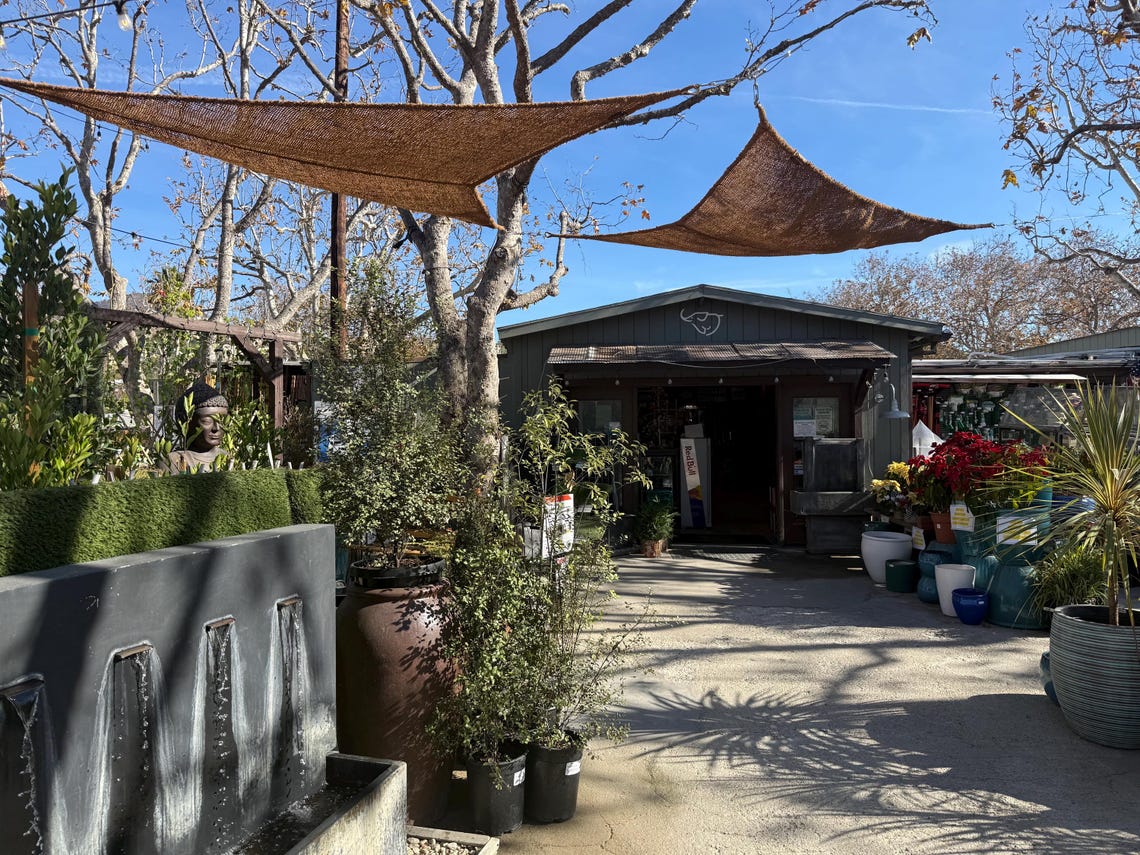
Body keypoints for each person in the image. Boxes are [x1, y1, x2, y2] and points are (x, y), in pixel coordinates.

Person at [164, 382, 229, 472]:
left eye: (221, 421)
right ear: (185, 422)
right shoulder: (175, 460)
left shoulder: (227, 458)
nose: (216, 428)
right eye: (207, 421)